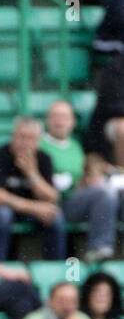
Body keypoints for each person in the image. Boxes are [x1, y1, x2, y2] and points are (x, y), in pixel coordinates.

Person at [0, 116, 66, 262]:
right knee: (3, 214)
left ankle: (56, 268)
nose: (25, 143)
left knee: (55, 216)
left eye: (31, 138)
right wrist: (35, 208)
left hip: (23, 211)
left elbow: (52, 197)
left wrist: (32, 174)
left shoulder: (44, 158)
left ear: (38, 141)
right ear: (13, 136)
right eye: (22, 137)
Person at [41, 99, 118, 264]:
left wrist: (90, 178)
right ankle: (98, 247)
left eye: (64, 117)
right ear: (47, 120)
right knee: (104, 193)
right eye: (55, 116)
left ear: (72, 122)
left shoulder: (75, 146)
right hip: (58, 202)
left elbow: (80, 175)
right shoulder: (40, 145)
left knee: (111, 190)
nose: (59, 121)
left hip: (80, 197)